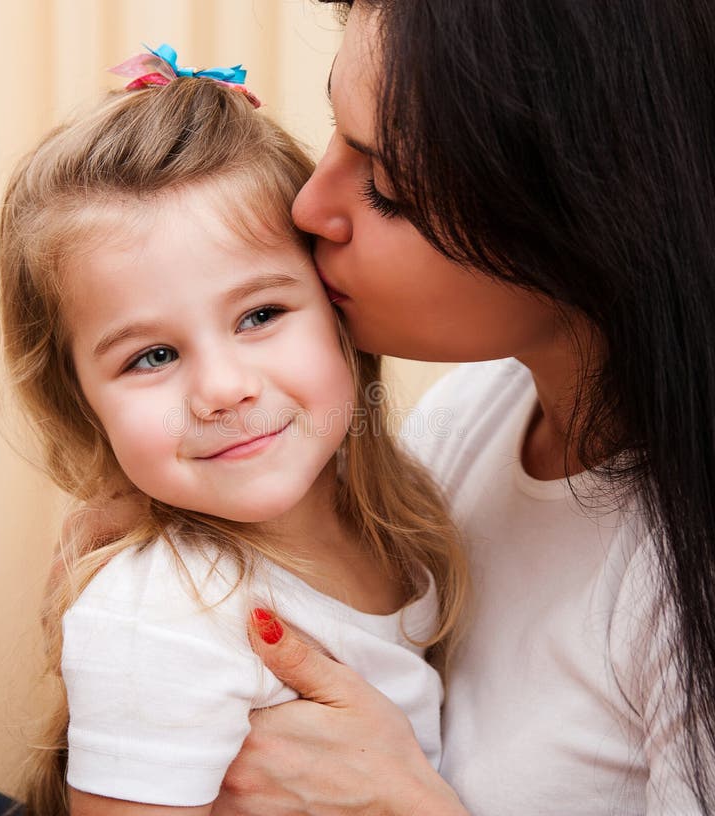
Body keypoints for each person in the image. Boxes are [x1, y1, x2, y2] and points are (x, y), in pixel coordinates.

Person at [210, 1, 715, 815]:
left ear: (592, 212)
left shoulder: (679, 575)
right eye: (335, 131)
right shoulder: (473, 412)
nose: (310, 208)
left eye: (384, 186)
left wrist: (403, 805)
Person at [0, 45, 467, 815]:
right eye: (152, 356)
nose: (222, 389)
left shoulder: (398, 515)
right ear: (81, 402)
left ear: (338, 310)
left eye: (260, 315)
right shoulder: (160, 618)